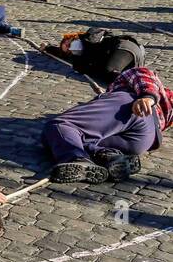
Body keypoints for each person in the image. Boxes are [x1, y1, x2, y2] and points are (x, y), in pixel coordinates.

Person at [43, 66, 172, 184]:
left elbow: (141, 73)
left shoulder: (126, 83)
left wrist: (147, 97)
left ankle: (78, 159)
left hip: (131, 108)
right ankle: (110, 157)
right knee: (82, 138)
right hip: (144, 140)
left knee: (61, 126)